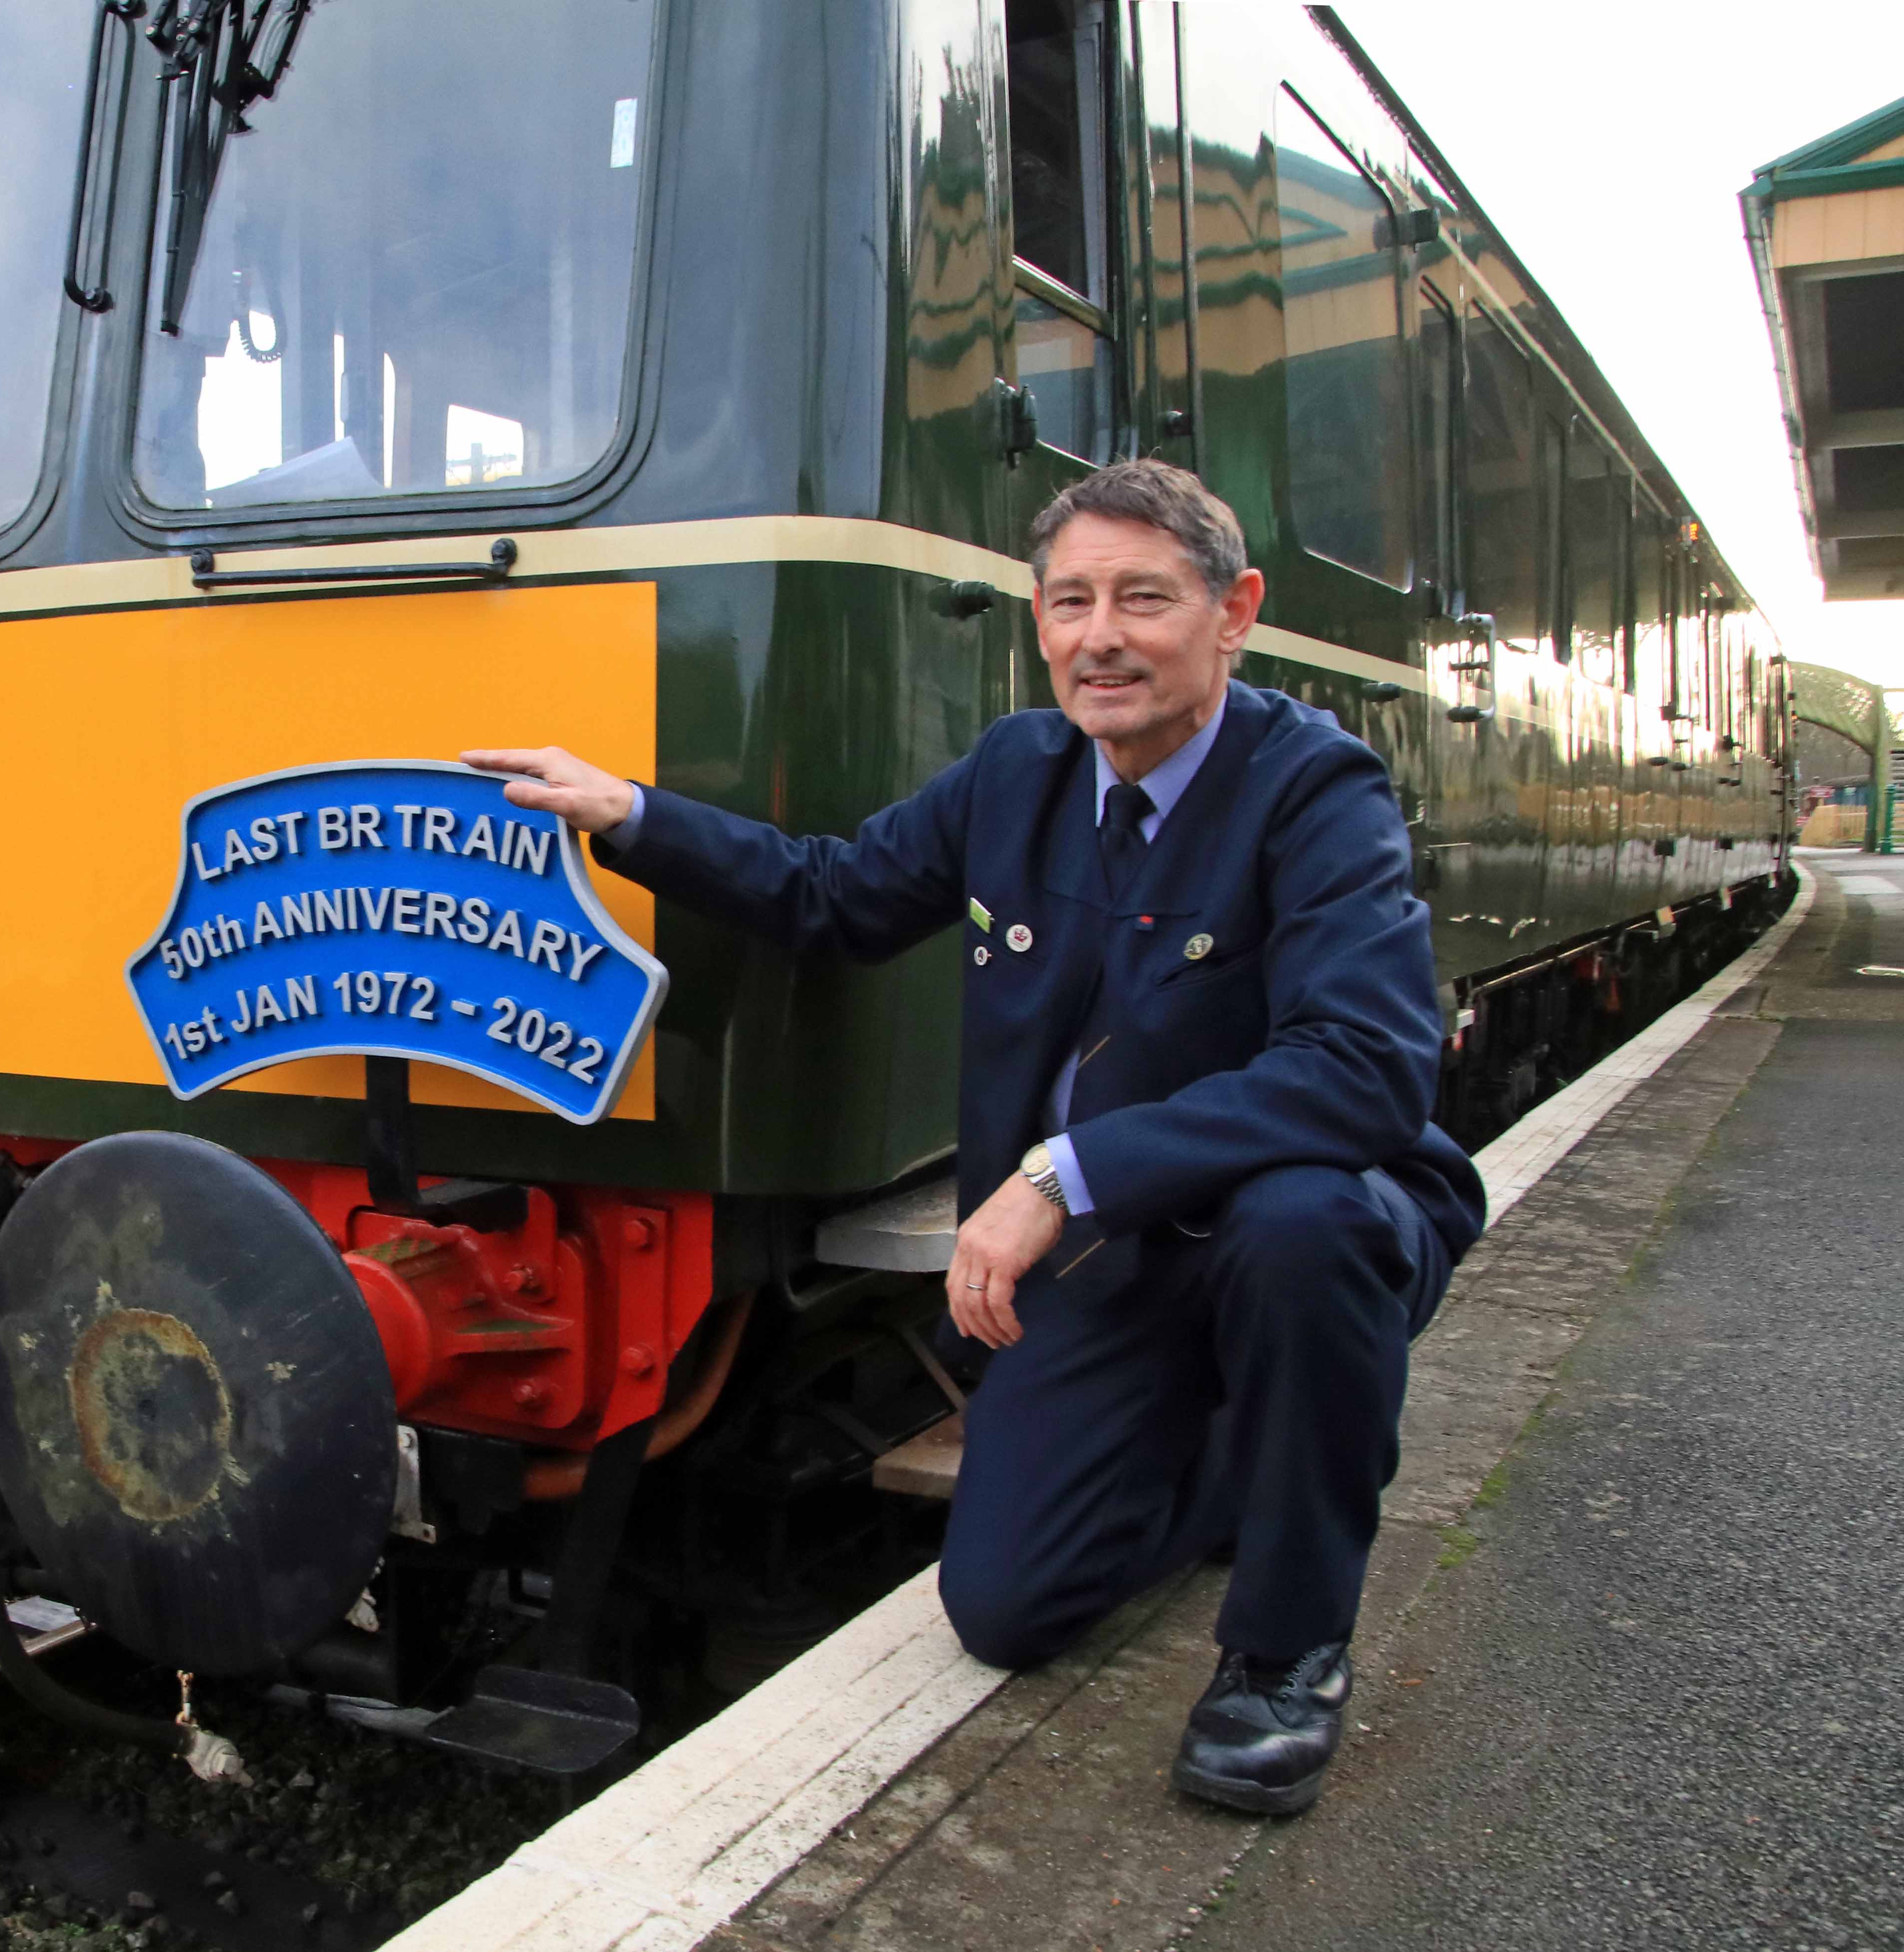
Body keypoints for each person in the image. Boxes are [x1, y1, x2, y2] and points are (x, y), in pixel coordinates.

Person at [464, 458, 1484, 1817]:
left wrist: (1061, 1175)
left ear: (1233, 611)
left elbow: (1366, 1067)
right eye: (1069, 601)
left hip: (1260, 1225)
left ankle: (1287, 1652)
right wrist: (631, 815)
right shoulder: (1020, 770)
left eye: (1143, 599)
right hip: (1115, 1261)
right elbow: (834, 895)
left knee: (1311, 1227)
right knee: (1005, 1606)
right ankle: (1244, 1456)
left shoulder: (1316, 789)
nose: (1099, 636)